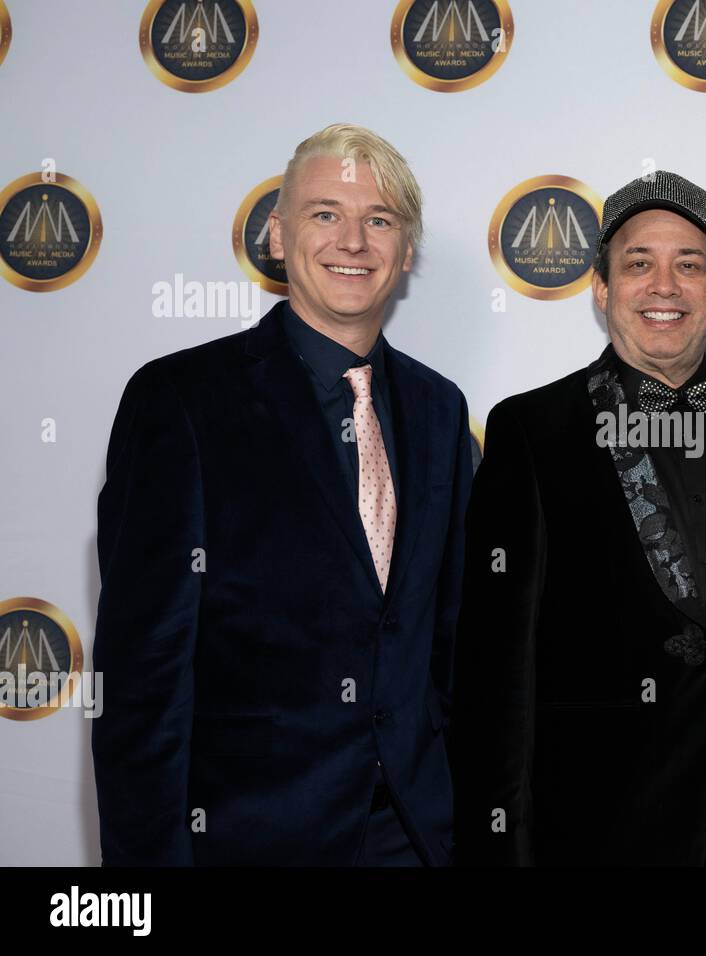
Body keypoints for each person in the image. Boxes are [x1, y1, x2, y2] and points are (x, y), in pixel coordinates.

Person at [91, 124, 472, 865]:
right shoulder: (183, 401)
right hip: (248, 841)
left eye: (381, 220)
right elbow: (144, 681)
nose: (354, 241)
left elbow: (450, 645)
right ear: (276, 234)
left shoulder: (439, 410)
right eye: (326, 214)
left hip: (415, 839)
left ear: (404, 249)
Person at [452, 172, 706, 865]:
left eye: (690, 266)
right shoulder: (534, 431)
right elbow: (498, 680)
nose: (665, 287)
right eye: (638, 264)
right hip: (597, 833)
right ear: (601, 290)